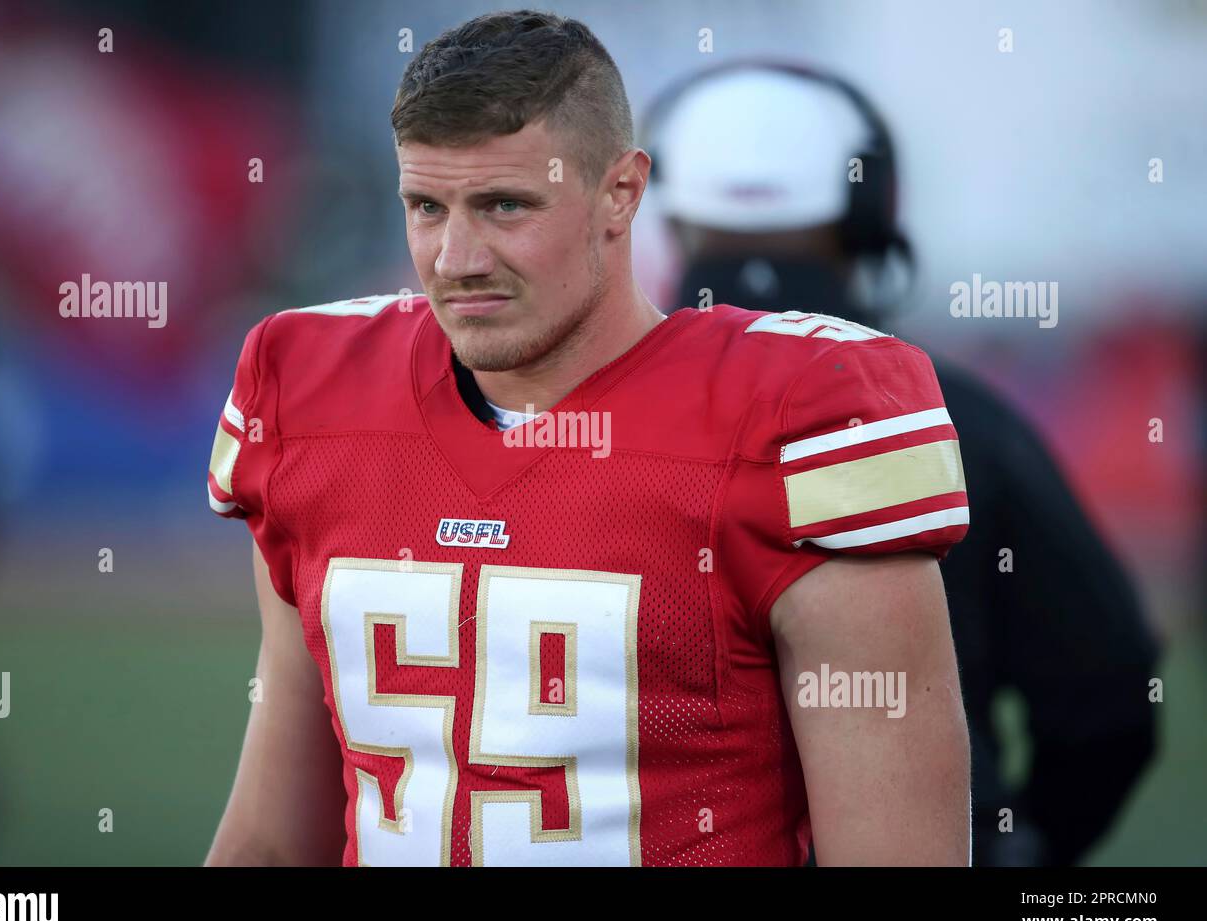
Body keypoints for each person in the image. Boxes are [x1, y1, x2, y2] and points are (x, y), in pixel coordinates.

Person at [204, 11, 972, 867]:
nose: (457, 258)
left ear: (621, 192)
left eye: (505, 206)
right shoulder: (307, 387)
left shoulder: (801, 415)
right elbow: (271, 844)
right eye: (427, 206)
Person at [644, 60, 1159, 865]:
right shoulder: (965, 421)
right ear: (868, 209)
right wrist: (1023, 850)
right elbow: (1111, 693)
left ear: (662, 207)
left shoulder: (564, 417)